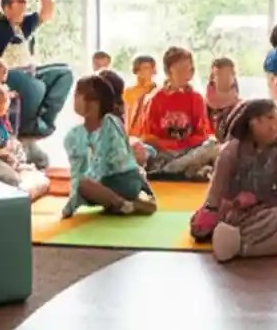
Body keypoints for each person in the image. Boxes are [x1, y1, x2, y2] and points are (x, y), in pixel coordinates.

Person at [190, 99, 277, 263]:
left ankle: (240, 245)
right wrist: (212, 213)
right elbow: (216, 191)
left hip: (263, 211)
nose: (276, 124)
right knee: (202, 227)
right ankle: (231, 237)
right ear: (253, 122)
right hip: (230, 210)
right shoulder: (231, 150)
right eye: (269, 118)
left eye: (276, 118)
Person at [0, 0, 73, 144]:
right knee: (35, 86)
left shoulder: (26, 24)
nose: (25, 4)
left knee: (64, 73)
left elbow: (48, 9)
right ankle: (26, 124)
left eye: (25, 1)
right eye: (20, 1)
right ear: (7, 7)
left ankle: (43, 119)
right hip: (8, 75)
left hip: (30, 72)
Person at [62, 74, 157, 218]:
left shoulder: (109, 124)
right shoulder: (76, 134)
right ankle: (131, 203)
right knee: (85, 184)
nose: (74, 100)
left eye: (77, 95)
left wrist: (73, 202)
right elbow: (79, 169)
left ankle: (123, 204)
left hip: (120, 179)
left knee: (84, 184)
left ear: (92, 102)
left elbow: (108, 163)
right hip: (121, 181)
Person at [139, 47, 220, 179]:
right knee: (140, 149)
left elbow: (202, 134)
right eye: (181, 69)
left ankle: (170, 170)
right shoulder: (154, 99)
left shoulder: (196, 98)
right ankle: (184, 170)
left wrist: (182, 146)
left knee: (214, 146)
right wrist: (170, 146)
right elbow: (148, 137)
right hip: (163, 152)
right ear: (168, 71)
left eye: (189, 69)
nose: (187, 74)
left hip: (188, 151)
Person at [123, 54, 157, 136]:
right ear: (136, 70)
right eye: (140, 68)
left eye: (147, 68)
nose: (142, 71)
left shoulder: (157, 91)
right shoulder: (128, 92)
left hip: (150, 136)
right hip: (132, 135)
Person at [206, 57, 241, 131]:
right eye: (220, 75)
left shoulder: (241, 107)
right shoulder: (201, 105)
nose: (225, 79)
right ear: (212, 77)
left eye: (228, 74)